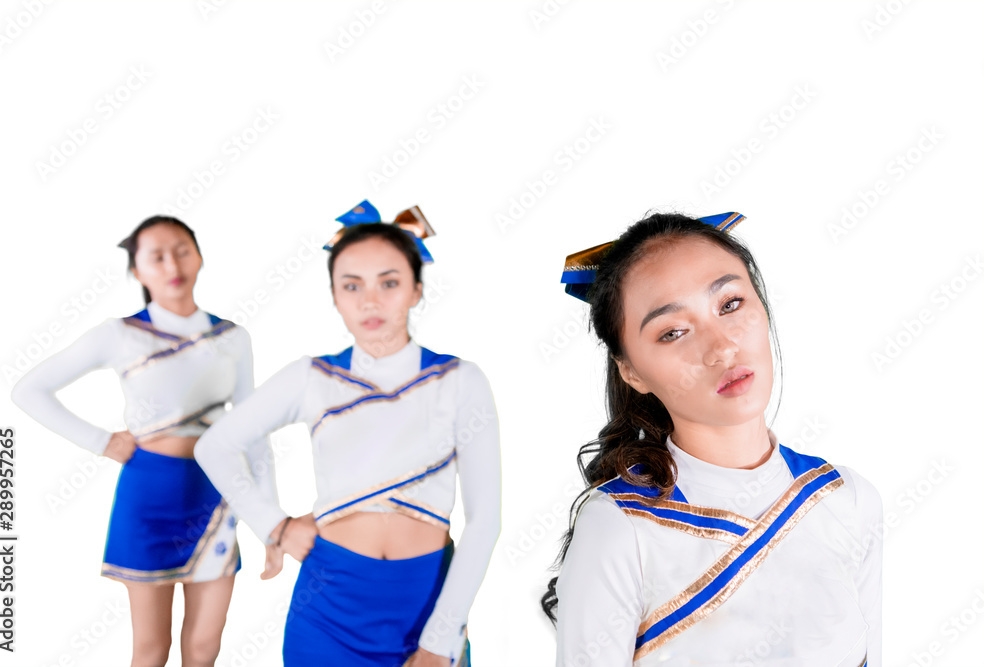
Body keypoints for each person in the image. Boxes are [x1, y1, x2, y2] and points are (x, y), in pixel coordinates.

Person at [543, 211, 882, 666]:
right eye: (673, 332)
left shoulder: (847, 498)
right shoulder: (619, 527)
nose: (721, 347)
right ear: (631, 371)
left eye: (730, 304)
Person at [194, 200, 501, 666]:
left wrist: (439, 641)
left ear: (417, 289)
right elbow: (215, 446)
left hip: (426, 605)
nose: (370, 301)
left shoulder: (461, 380)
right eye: (352, 286)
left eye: (390, 282)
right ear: (335, 296)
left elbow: (485, 522)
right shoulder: (311, 377)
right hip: (327, 610)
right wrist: (273, 527)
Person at [10, 216, 278, 667]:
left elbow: (252, 431)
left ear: (199, 255)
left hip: (216, 498)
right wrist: (100, 441)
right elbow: (27, 391)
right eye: (156, 256)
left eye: (181, 250)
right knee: (152, 649)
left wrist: (270, 520)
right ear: (137, 270)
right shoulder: (119, 334)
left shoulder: (232, 337)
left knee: (203, 647)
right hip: (148, 496)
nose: (172, 263)